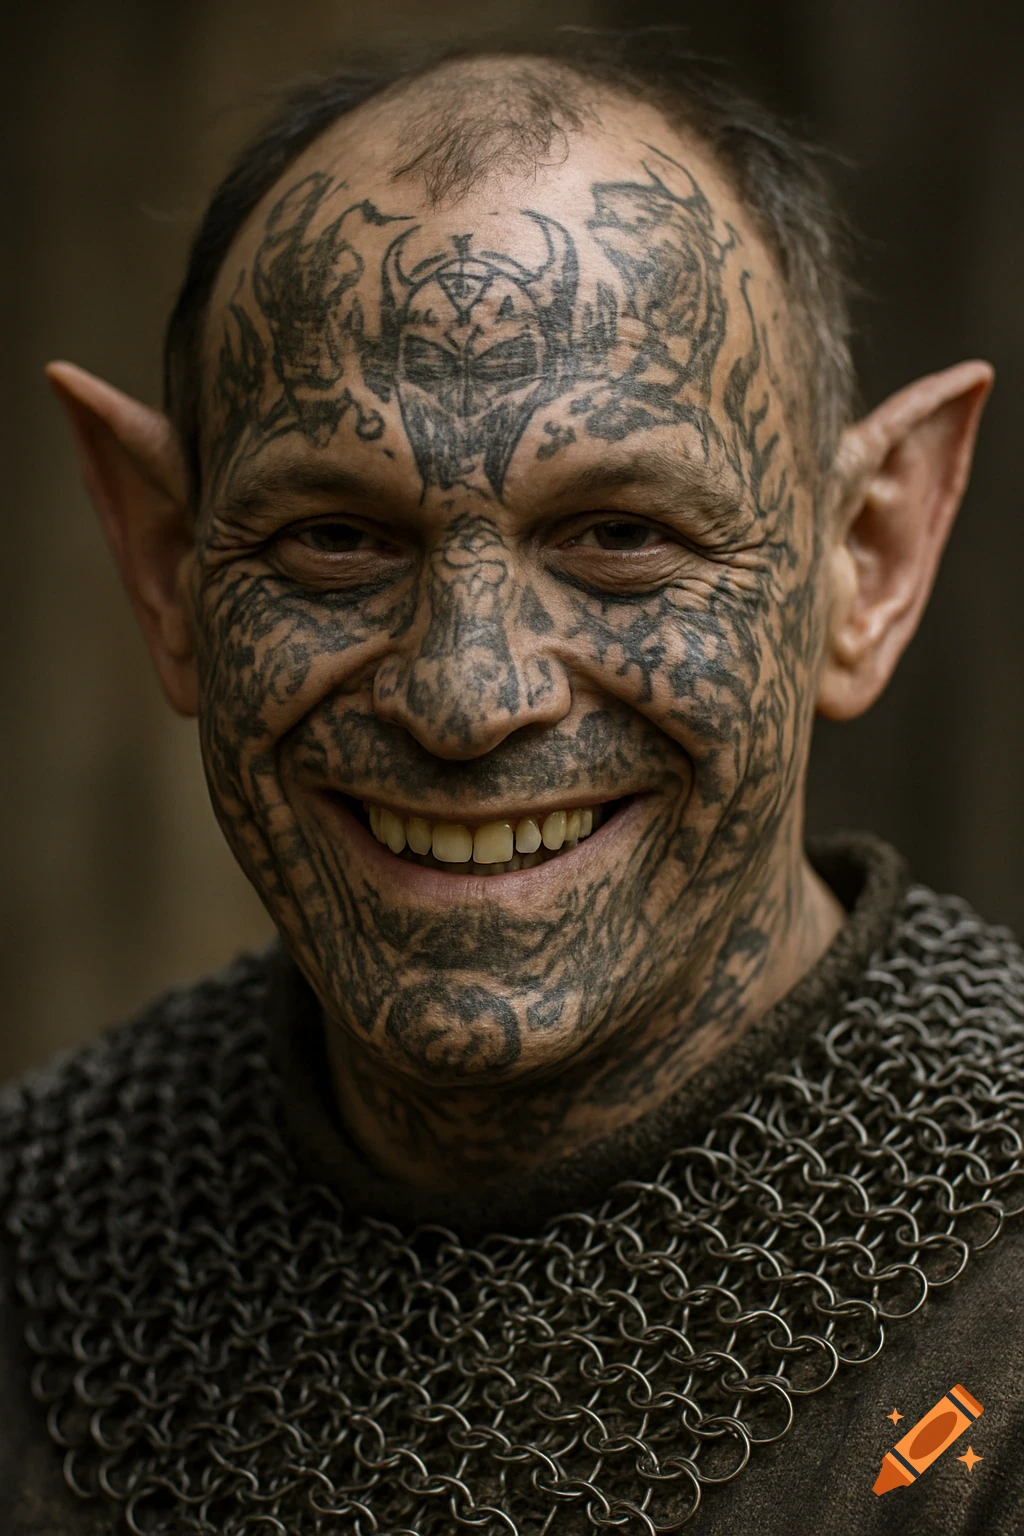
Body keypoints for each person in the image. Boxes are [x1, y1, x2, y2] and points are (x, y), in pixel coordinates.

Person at [2, 33, 1021, 1536]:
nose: (468, 696)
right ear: (166, 565)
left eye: (618, 534)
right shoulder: (40, 1257)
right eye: (335, 541)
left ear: (863, 561)